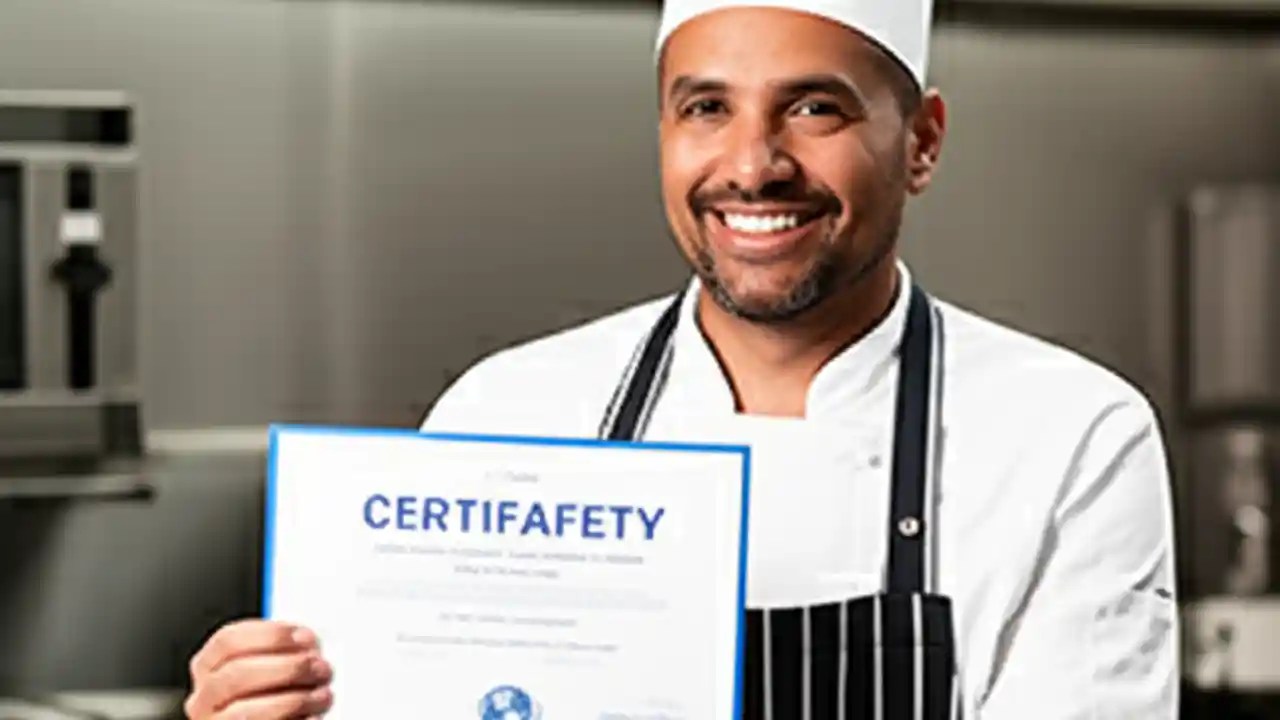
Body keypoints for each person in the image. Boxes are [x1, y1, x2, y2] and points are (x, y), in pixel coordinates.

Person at [182, 0, 1179, 717]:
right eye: (706, 108)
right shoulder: (510, 411)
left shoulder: (1067, 436)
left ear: (919, 142)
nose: (751, 164)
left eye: (813, 108)